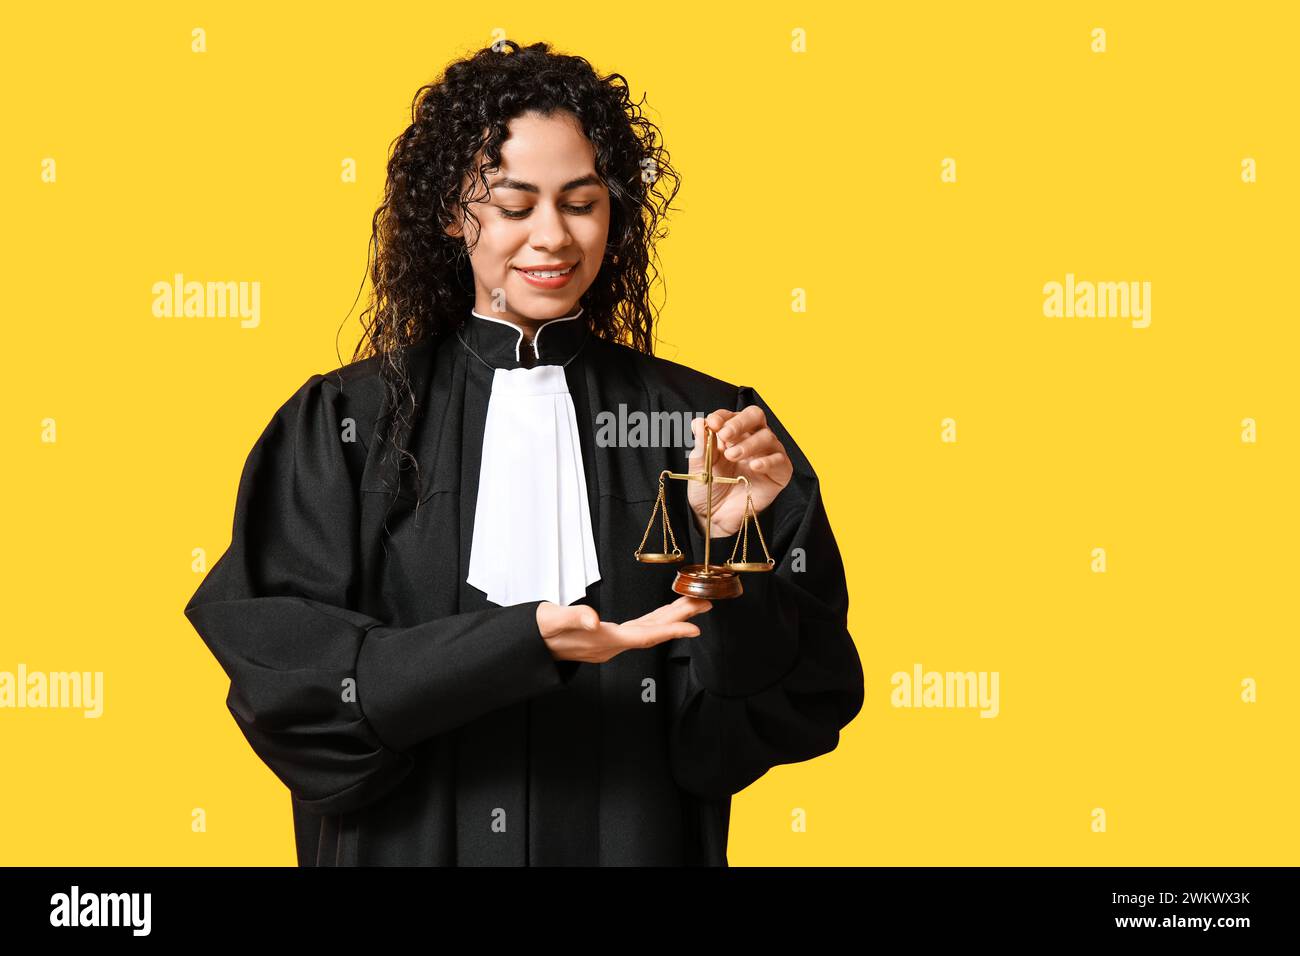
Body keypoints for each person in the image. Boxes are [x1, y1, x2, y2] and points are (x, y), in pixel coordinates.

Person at [183, 39, 863, 866]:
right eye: (513, 205)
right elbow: (290, 691)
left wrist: (735, 560)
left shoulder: (705, 426)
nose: (553, 238)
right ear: (449, 212)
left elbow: (752, 728)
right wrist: (515, 647)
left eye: (581, 202)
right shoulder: (340, 424)